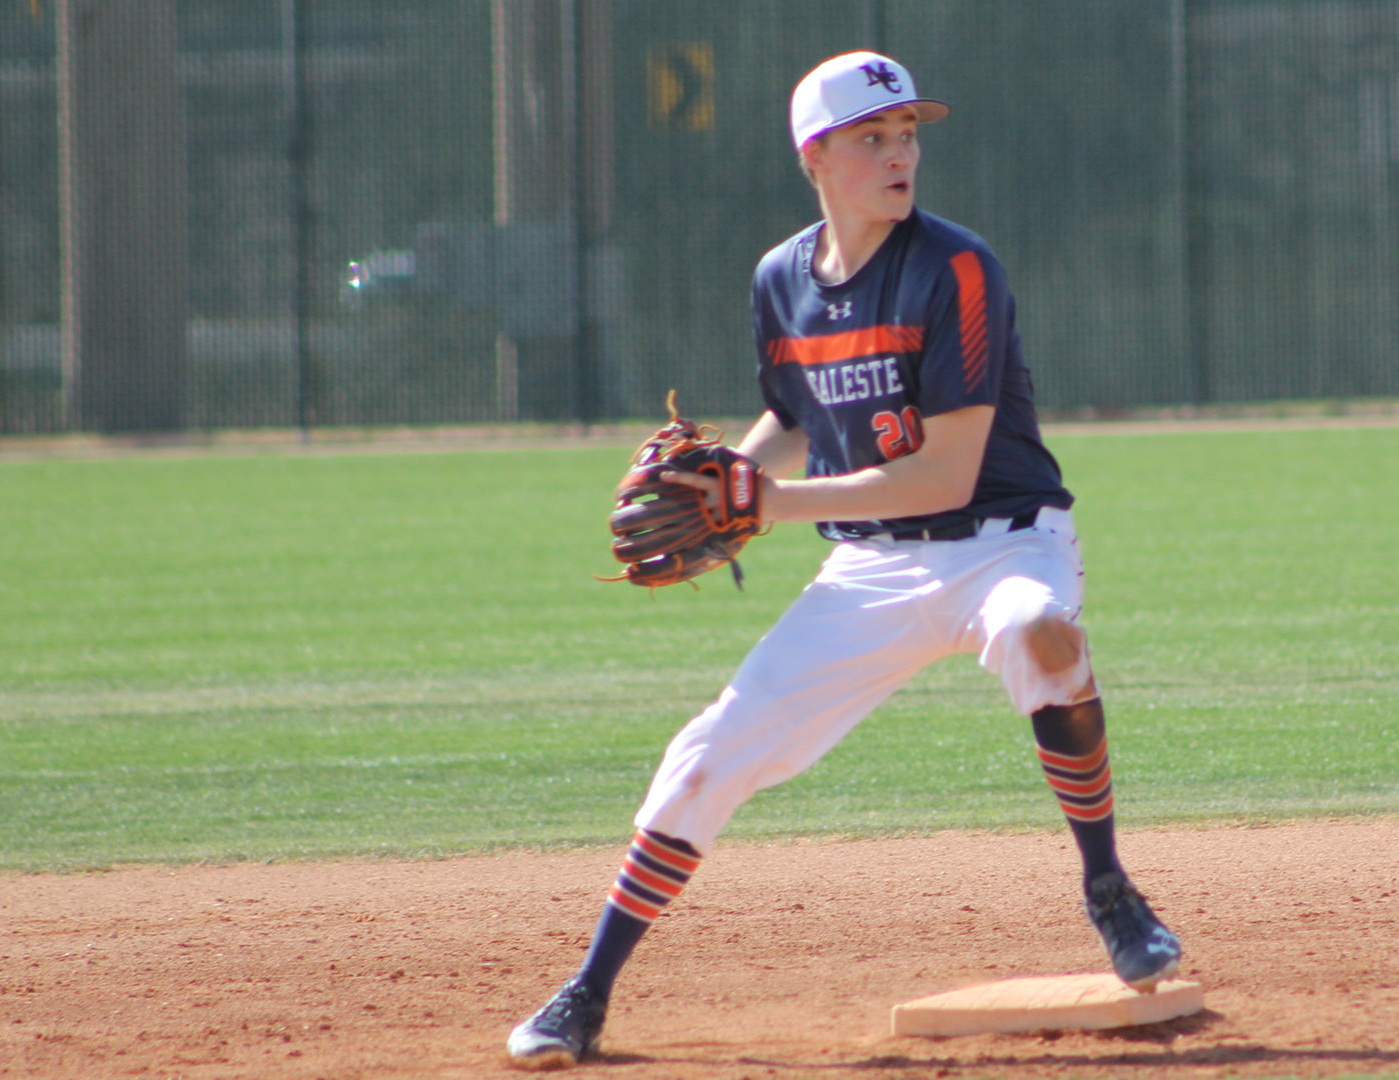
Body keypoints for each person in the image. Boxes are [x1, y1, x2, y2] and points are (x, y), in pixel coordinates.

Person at [507, 50, 1182, 1069]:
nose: (901, 153)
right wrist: (727, 478)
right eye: (874, 137)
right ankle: (585, 994)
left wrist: (764, 503)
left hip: (1003, 542)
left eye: (907, 134)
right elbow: (794, 411)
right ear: (815, 156)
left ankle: (1109, 890)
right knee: (706, 757)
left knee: (1044, 636)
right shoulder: (781, 279)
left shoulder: (954, 268)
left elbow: (946, 477)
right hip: (868, 571)